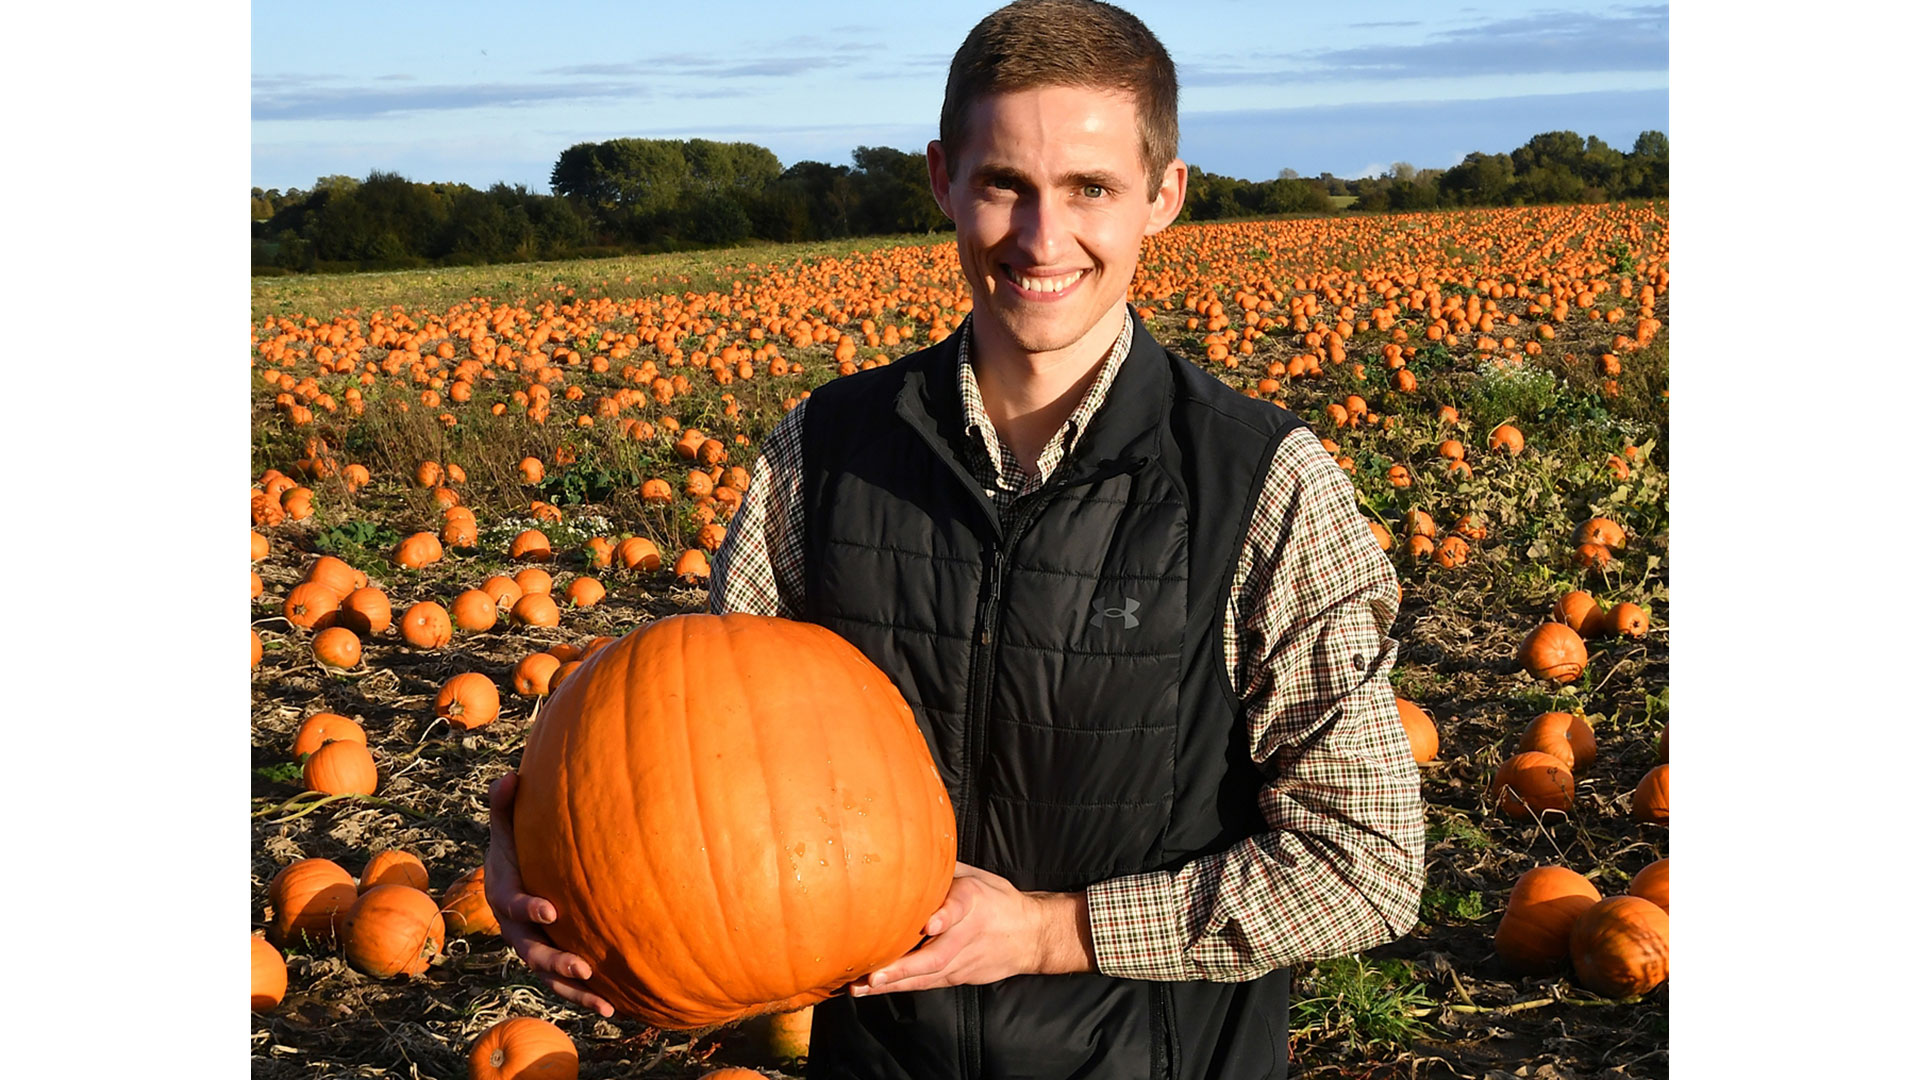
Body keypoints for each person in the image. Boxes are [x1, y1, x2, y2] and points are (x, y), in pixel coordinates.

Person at [486, 1, 1425, 1076]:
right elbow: (693, 760)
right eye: (1003, 185)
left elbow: (1368, 865)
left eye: (1091, 189)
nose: (1040, 239)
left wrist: (1046, 930)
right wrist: (550, 870)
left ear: (1162, 197)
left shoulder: (1260, 485)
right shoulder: (823, 453)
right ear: (942, 178)